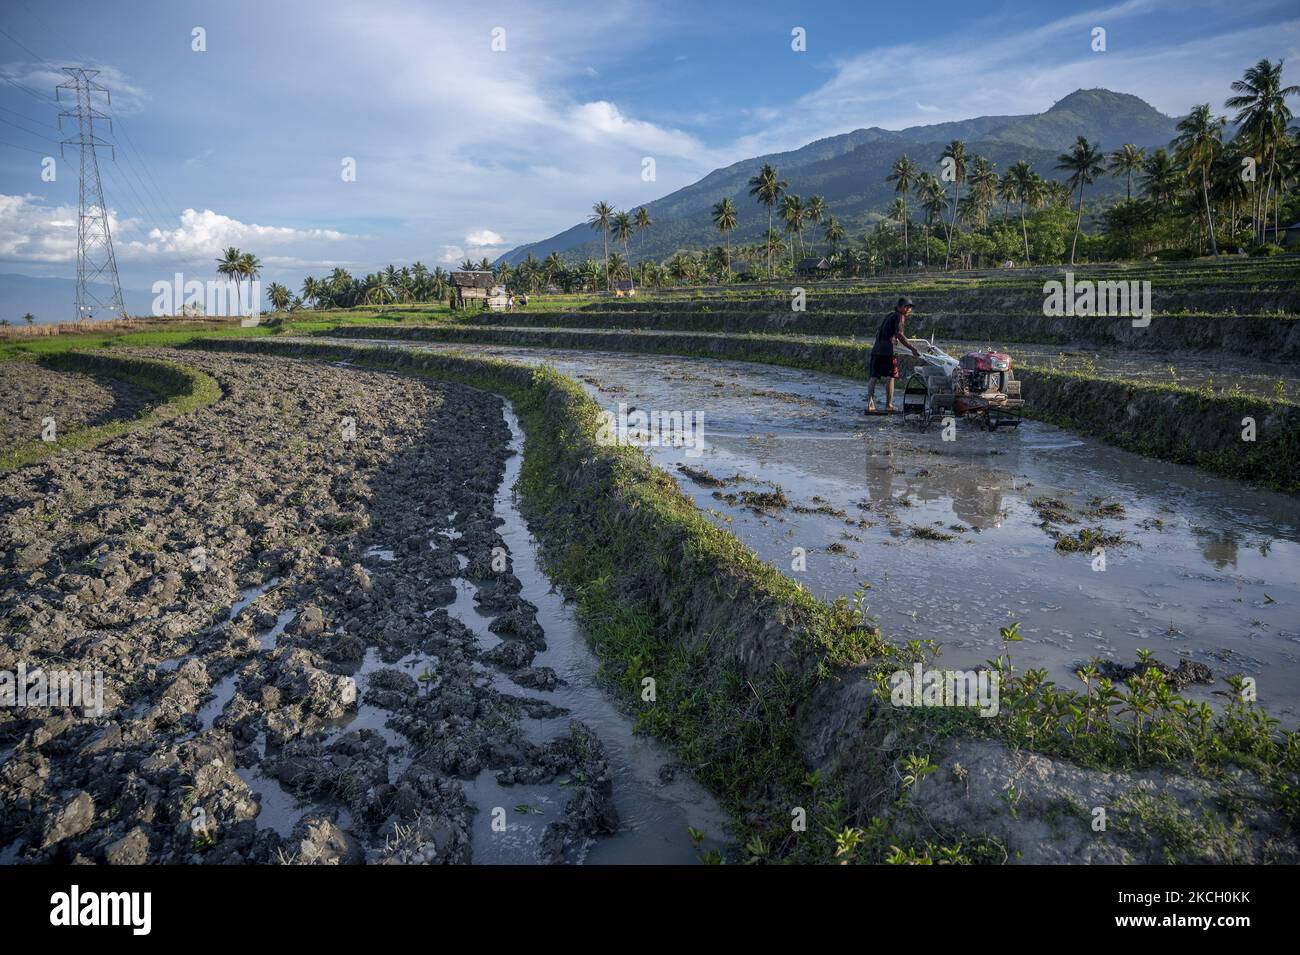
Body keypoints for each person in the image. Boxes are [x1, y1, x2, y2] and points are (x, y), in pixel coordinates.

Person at [865, 296, 920, 412]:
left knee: (873, 377)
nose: (909, 310)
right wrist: (912, 349)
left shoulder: (889, 315)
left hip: (877, 350)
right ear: (902, 308)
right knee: (892, 377)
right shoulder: (900, 317)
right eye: (907, 307)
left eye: (910, 308)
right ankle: (889, 405)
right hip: (888, 352)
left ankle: (870, 405)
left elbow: (880, 332)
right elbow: (900, 335)